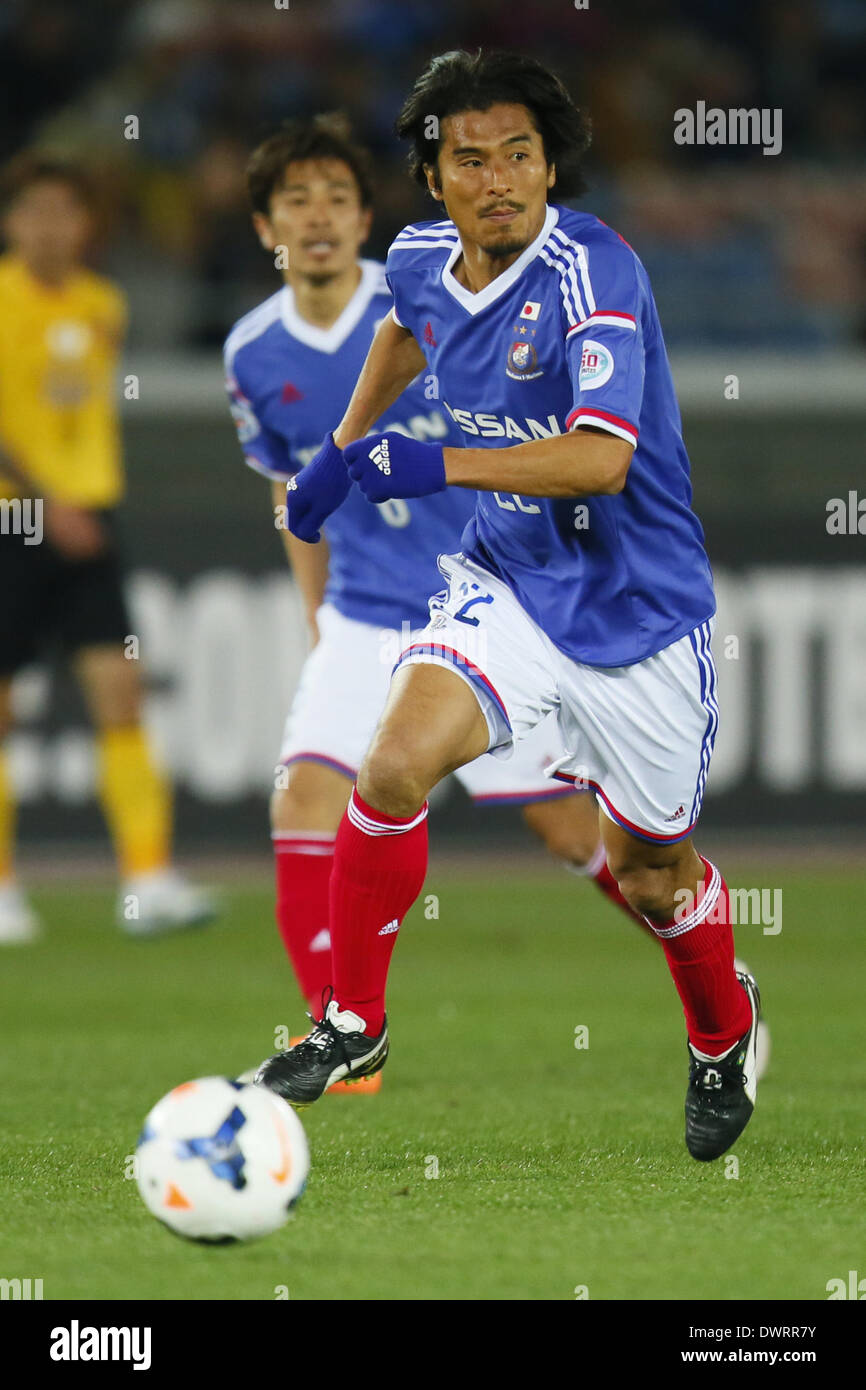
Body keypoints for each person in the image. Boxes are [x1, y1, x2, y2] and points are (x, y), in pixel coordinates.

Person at [256, 54, 765, 1162]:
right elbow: (401, 318)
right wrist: (342, 457)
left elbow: (597, 463)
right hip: (508, 583)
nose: (499, 180)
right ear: (430, 177)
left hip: (637, 609)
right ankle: (354, 1021)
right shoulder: (428, 258)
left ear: (549, 165)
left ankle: (722, 1031)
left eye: (520, 155)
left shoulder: (595, 270)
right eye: (469, 160)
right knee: (391, 765)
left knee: (651, 876)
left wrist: (428, 466)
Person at [225, 115, 667, 1087]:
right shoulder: (251, 350)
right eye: (294, 200)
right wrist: (317, 616)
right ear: (265, 225)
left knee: (570, 833)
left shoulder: (437, 288)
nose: (318, 216)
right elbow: (290, 493)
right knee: (306, 794)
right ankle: (340, 1037)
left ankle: (707, 971)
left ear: (368, 213)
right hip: (359, 613)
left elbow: (546, 442)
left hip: (473, 601)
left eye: (337, 197)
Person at [0, 157, 214, 940]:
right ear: (12, 222)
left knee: (120, 693)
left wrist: (74, 500)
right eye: (37, 211)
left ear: (85, 225)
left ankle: (146, 878)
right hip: (13, 522)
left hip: (89, 517)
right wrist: (45, 501)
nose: (52, 226)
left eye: (67, 211)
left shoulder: (102, 304)